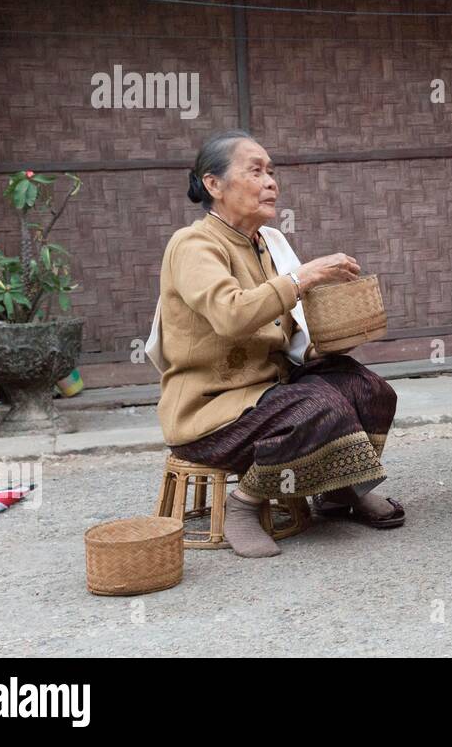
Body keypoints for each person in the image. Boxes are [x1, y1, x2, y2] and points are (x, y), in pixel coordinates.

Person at [150, 130, 404, 557]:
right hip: (211, 413)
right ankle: (244, 504)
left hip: (266, 395)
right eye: (255, 171)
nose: (271, 182)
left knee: (368, 388)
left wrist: (321, 347)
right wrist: (303, 278)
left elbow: (282, 330)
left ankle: (344, 489)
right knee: (318, 406)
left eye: (271, 172)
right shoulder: (193, 244)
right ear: (213, 184)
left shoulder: (265, 247)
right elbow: (232, 315)